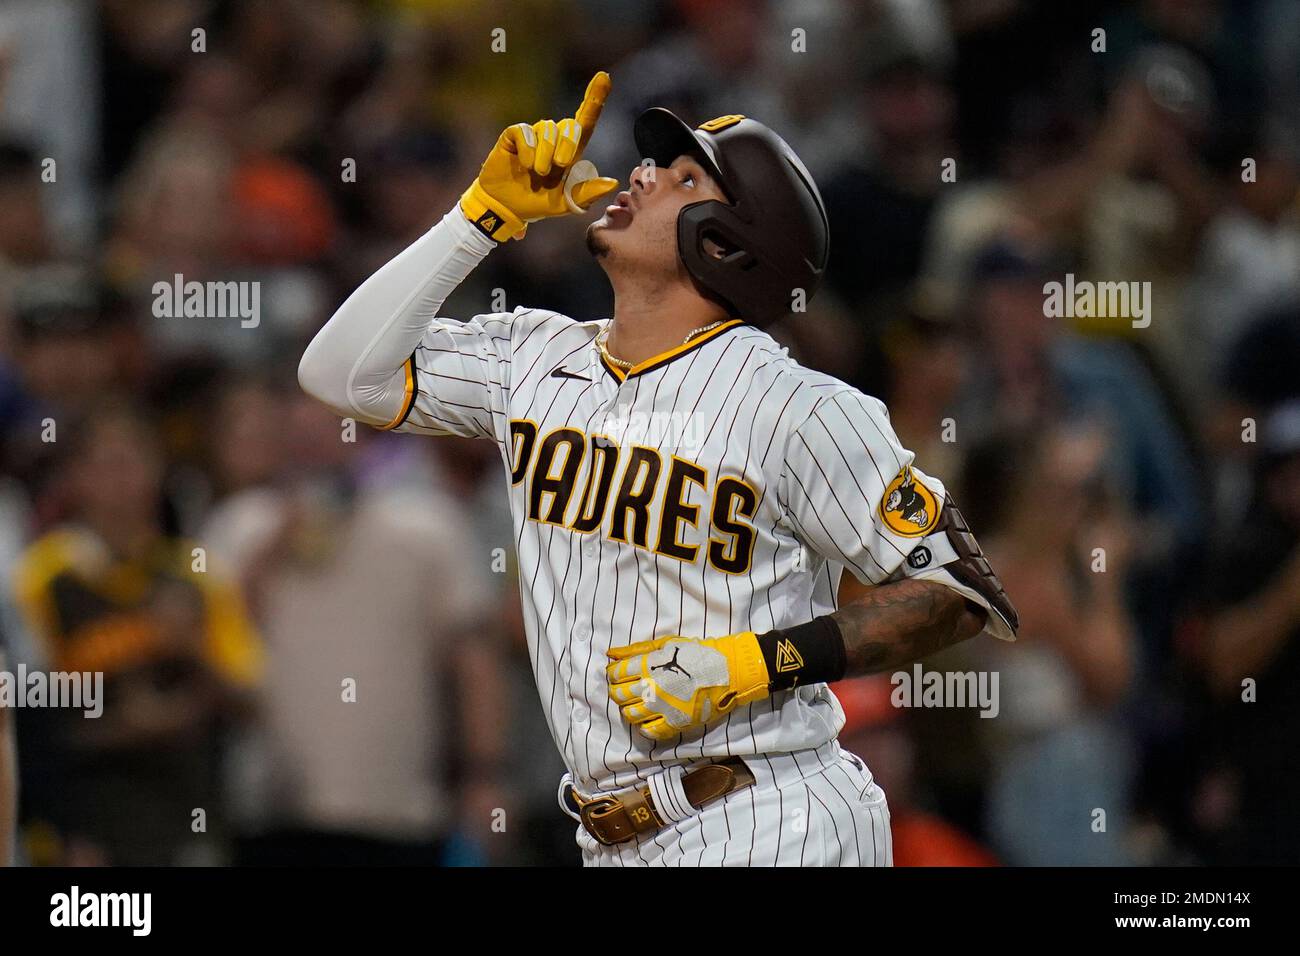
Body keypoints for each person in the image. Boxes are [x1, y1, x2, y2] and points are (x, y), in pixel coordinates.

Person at [299, 72, 1018, 867]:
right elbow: (341, 374)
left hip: (772, 815)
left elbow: (961, 593)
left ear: (727, 241)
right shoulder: (535, 354)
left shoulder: (799, 406)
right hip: (612, 836)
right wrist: (479, 218)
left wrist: (753, 661)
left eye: (682, 177)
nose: (639, 173)